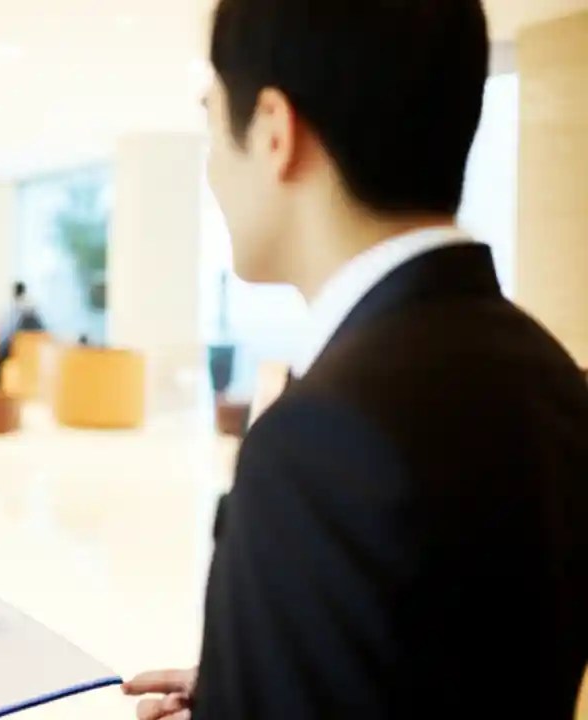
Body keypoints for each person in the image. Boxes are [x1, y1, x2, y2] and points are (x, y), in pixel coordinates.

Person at [124, 1, 588, 719]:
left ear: (274, 131)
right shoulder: (553, 377)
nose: (211, 168)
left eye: (212, 120)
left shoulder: (320, 440)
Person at [0, 281, 45, 386]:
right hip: (25, 346)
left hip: (13, 345)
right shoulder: (30, 308)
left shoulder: (13, 309)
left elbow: (5, 331)